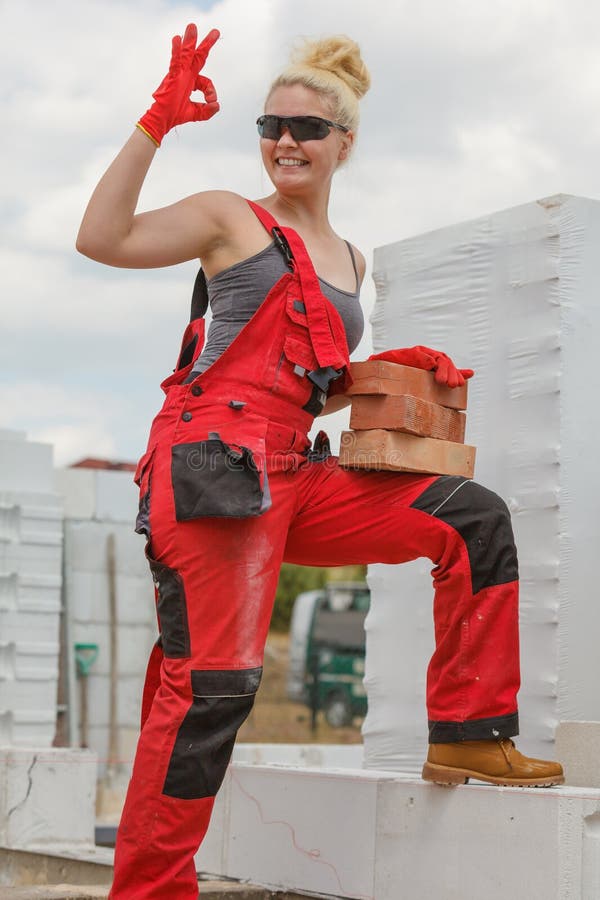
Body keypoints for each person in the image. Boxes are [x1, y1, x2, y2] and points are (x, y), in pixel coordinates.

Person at [77, 23, 563, 900]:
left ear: (345, 141)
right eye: (270, 127)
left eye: (305, 128)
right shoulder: (229, 216)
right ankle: (150, 891)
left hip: (294, 474)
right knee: (213, 688)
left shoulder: (351, 259)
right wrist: (157, 121)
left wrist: (390, 372)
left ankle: (468, 733)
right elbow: (100, 238)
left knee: (471, 517)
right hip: (213, 469)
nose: (285, 142)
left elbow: (307, 388)